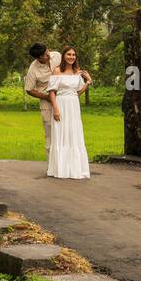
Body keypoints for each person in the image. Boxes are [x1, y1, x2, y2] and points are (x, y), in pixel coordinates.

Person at [47, 46, 91, 180]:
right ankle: (60, 169)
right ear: (63, 56)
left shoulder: (77, 72)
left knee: (73, 134)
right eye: (69, 54)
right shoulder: (57, 71)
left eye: (73, 55)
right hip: (61, 103)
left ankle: (74, 169)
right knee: (61, 134)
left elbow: (77, 92)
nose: (71, 57)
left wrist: (88, 82)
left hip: (73, 106)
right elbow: (52, 92)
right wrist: (55, 109)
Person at [24, 42, 62, 158]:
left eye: (47, 51)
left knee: (64, 132)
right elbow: (29, 89)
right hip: (47, 104)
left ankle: (64, 162)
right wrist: (47, 97)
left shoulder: (57, 56)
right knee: (50, 134)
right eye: (45, 55)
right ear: (38, 58)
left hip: (63, 99)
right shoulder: (33, 69)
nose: (48, 54)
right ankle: (51, 163)